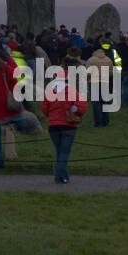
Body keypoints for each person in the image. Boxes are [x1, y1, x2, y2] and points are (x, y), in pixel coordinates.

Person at [41, 53, 87, 183]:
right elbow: (82, 106)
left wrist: (51, 116)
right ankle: (59, 177)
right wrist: (74, 109)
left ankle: (63, 177)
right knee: (64, 153)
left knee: (60, 152)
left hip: (53, 126)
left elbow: (44, 108)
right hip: (68, 125)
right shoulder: (72, 91)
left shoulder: (50, 91)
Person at [85, 44, 113, 127]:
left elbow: (88, 72)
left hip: (94, 82)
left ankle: (98, 122)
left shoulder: (91, 60)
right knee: (104, 102)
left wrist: (87, 79)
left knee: (96, 103)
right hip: (105, 82)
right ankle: (105, 121)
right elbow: (111, 72)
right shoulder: (108, 60)